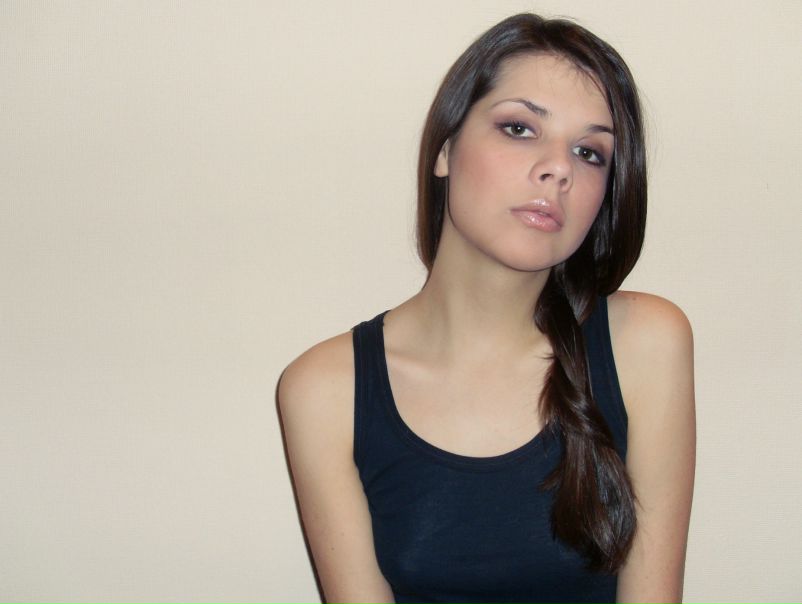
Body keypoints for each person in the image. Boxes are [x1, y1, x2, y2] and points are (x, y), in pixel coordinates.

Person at [278, 13, 695, 604]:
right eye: (520, 128)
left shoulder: (645, 344)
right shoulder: (325, 389)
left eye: (589, 152)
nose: (558, 169)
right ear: (445, 149)